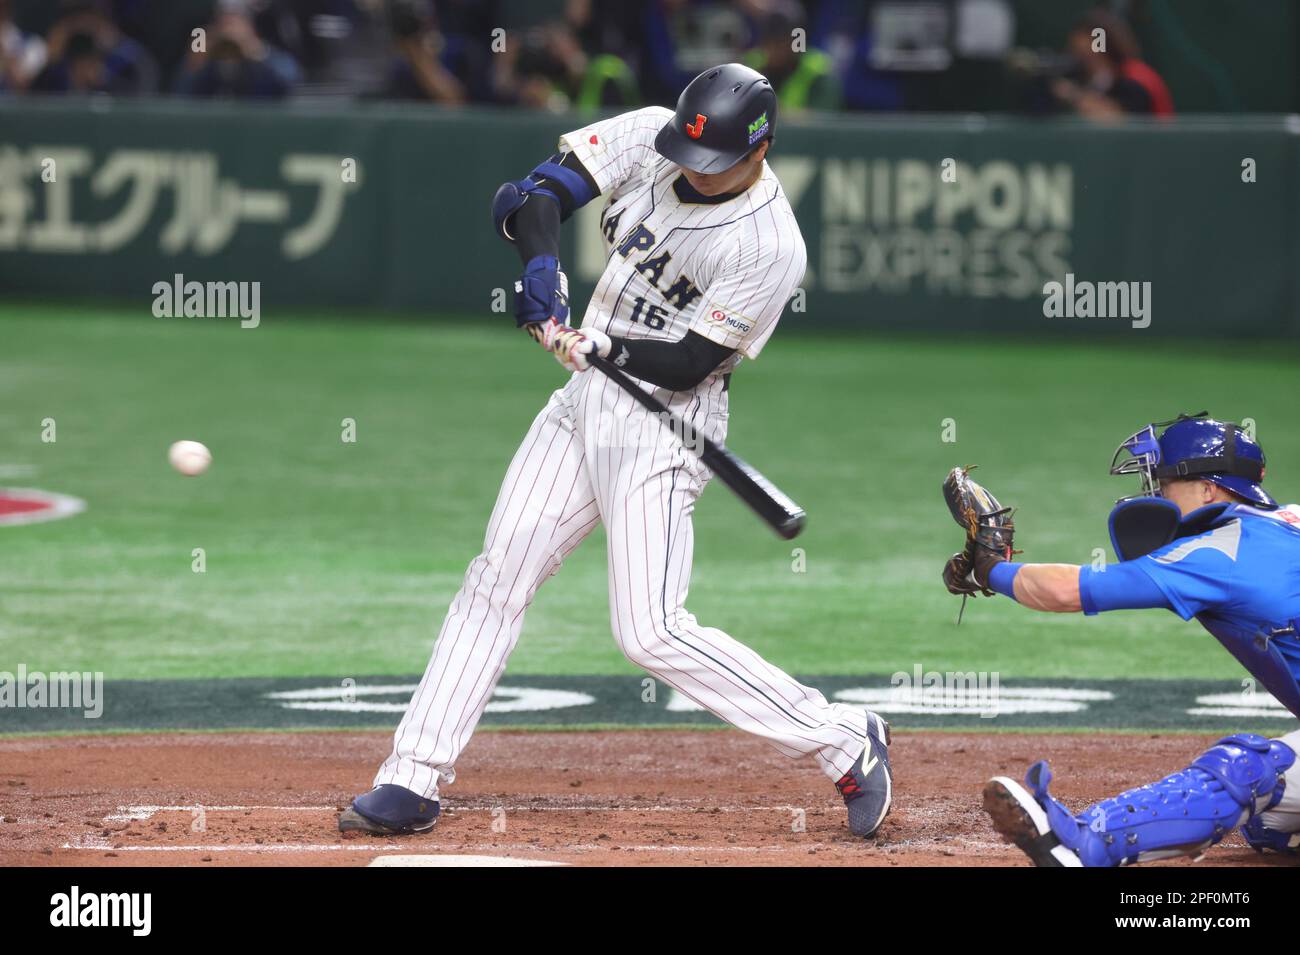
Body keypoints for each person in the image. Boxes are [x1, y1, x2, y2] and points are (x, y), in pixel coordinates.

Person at [338, 63, 893, 841]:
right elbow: (529, 198)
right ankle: (412, 777)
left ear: (758, 150)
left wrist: (601, 340)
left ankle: (843, 738)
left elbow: (690, 361)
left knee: (650, 629)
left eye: (713, 162)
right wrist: (540, 267)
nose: (690, 171)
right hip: (581, 408)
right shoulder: (651, 136)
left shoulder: (769, 246)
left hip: (665, 428)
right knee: (498, 575)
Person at [944, 414, 1298, 866]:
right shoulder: (1288, 522)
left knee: (1247, 770)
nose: (1156, 494)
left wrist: (990, 567)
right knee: (1270, 821)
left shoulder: (1218, 551)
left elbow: (1064, 591)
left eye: (1165, 480)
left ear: (1209, 490)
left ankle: (1084, 844)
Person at [1050, 8, 1173, 119]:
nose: (1085, 59)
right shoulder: (1087, 78)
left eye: (1088, 52)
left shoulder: (1136, 78)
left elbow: (1117, 121)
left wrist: (1074, 95)